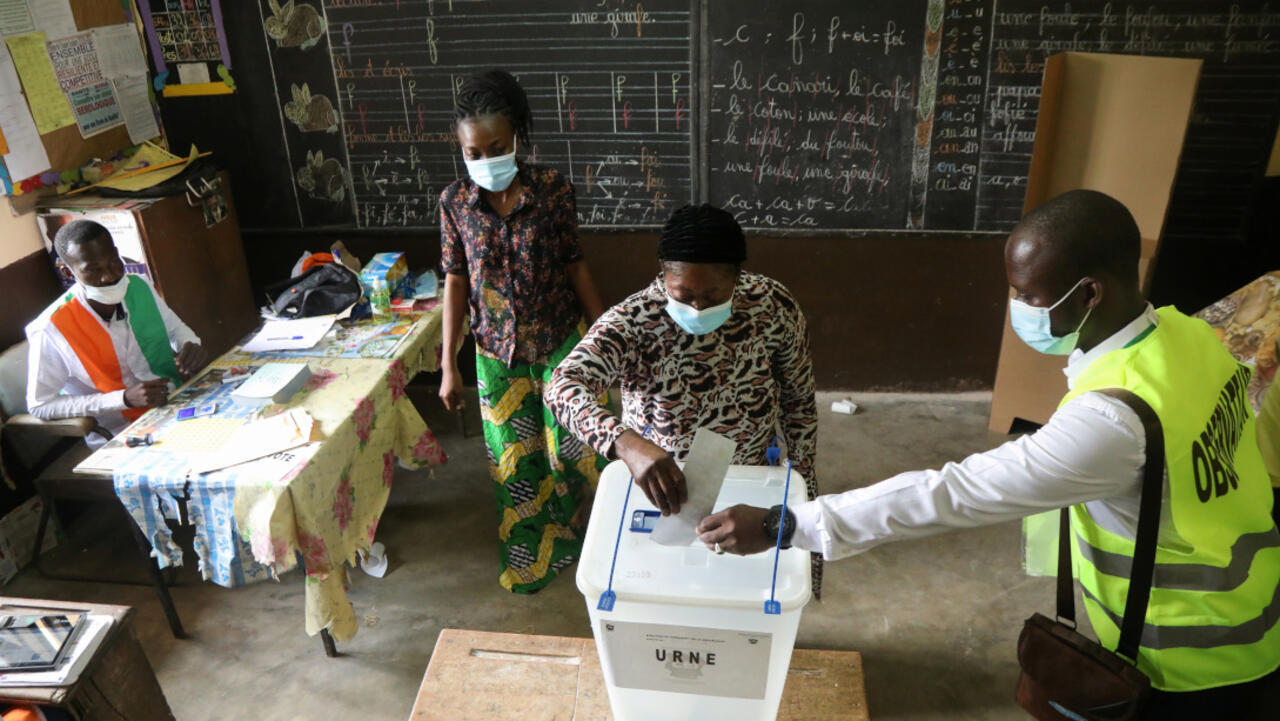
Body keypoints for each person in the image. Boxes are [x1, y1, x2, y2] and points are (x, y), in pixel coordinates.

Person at [697, 190, 1280, 718]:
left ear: (1091, 292)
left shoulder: (1112, 423)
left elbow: (954, 493)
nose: (1018, 306)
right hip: (1254, 607)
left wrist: (785, 523)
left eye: (1029, 294)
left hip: (1188, 652)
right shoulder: (1191, 335)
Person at [546, 203, 822, 594]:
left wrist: (802, 488)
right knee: (669, 588)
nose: (696, 308)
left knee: (741, 592)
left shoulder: (772, 307)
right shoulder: (633, 320)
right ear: (663, 274)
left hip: (747, 478)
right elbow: (562, 387)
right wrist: (627, 445)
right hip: (661, 489)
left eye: (712, 296)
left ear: (737, 277)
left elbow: (798, 400)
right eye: (683, 294)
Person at [437, 69, 608, 594]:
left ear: (517, 139)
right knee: (517, 468)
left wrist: (606, 337)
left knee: (582, 451)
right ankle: (535, 558)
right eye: (473, 152)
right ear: (460, 150)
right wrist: (448, 365)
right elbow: (455, 282)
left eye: (497, 146)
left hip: (561, 342)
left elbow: (576, 265)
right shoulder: (454, 205)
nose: (486, 161)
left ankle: (604, 543)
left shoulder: (553, 190)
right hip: (496, 357)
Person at [26, 220, 208, 448]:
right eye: (93, 270)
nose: (109, 277)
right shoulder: (50, 328)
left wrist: (190, 344)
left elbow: (176, 329)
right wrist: (122, 399)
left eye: (114, 262)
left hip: (176, 402)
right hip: (121, 432)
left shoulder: (139, 286)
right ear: (67, 271)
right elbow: (40, 405)